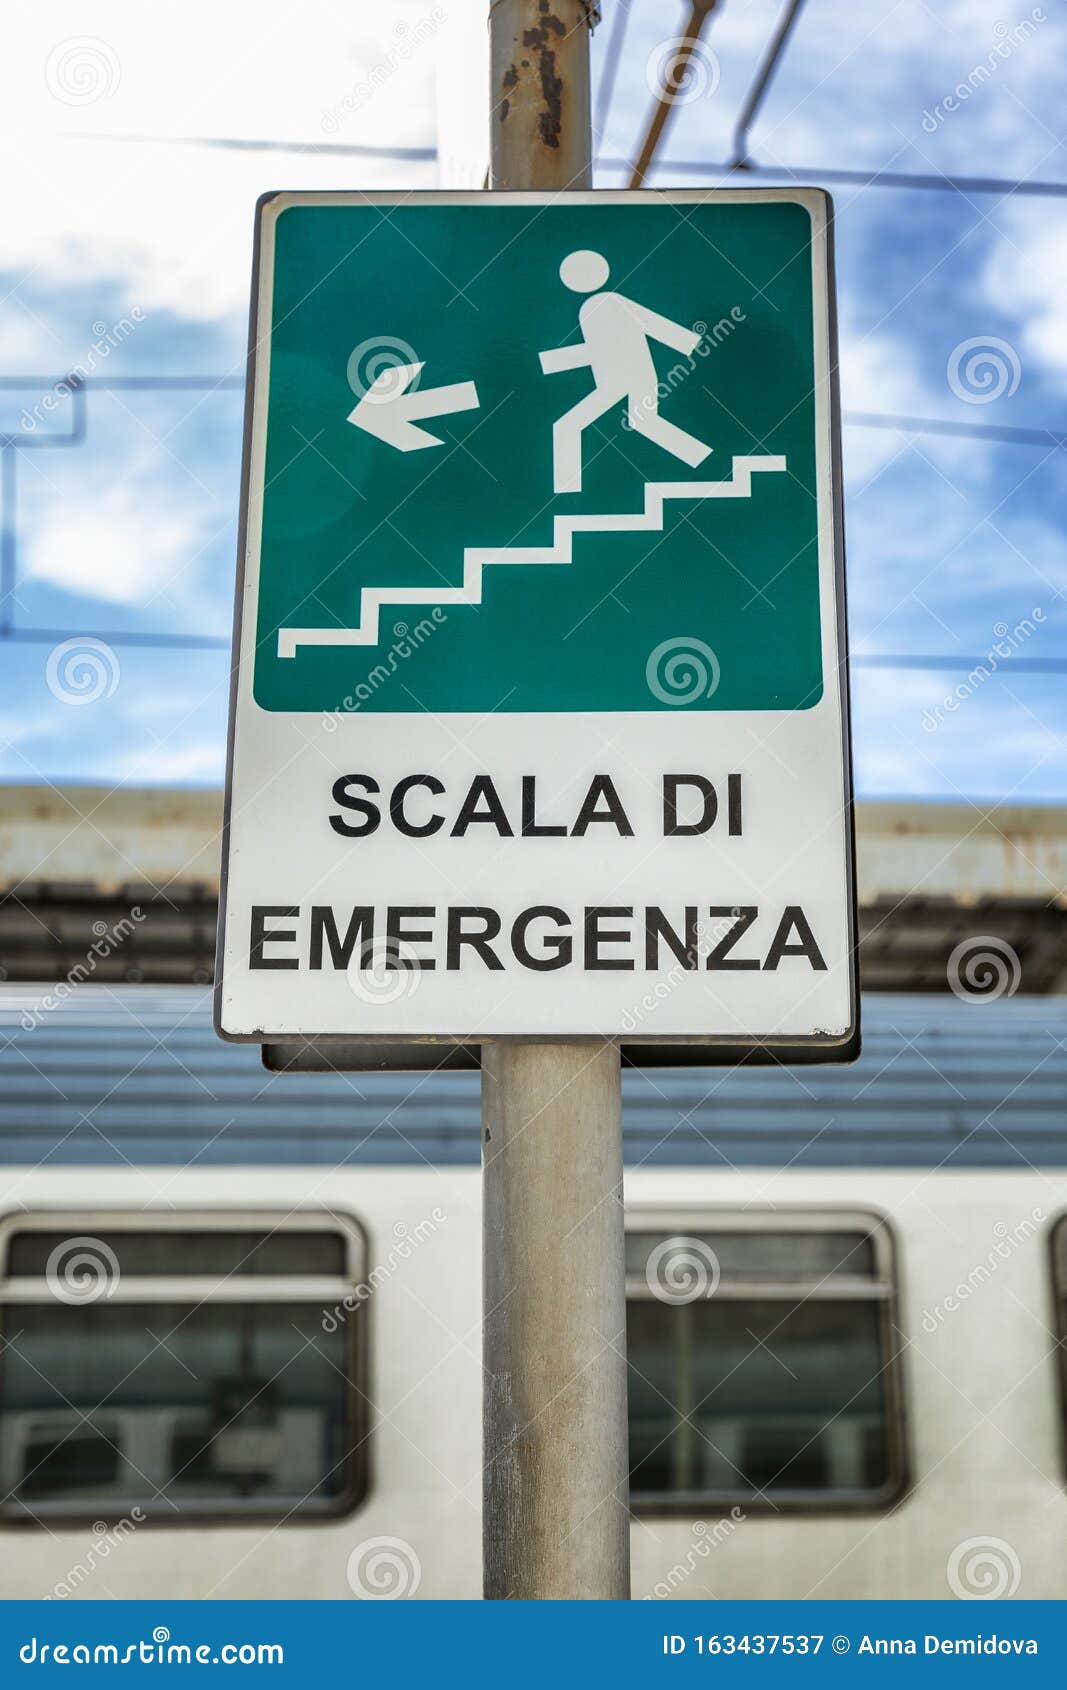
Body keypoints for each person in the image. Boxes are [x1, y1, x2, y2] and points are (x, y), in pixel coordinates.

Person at [539, 249, 713, 494]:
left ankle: (567, 493)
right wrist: (687, 342)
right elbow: (603, 348)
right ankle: (702, 458)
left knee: (572, 426)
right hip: (614, 383)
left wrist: (690, 343)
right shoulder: (595, 306)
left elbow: (646, 329)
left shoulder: (609, 302)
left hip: (628, 380)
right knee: (639, 422)